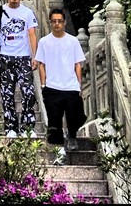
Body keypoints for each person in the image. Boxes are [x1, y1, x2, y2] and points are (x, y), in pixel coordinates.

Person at [0, 0, 38, 137]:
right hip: (5, 58)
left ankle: (27, 127)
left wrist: (34, 56)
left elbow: (32, 34)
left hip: (23, 58)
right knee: (7, 94)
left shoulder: (27, 13)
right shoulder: (0, 12)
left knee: (28, 93)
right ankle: (11, 127)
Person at [36, 8, 87, 162]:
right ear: (50, 22)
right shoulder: (44, 42)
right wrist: (44, 85)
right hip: (52, 87)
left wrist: (79, 85)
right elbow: (41, 65)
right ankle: (59, 152)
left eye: (60, 21)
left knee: (75, 116)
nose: (57, 24)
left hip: (71, 86)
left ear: (64, 22)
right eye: (54, 21)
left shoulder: (73, 41)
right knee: (54, 121)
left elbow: (78, 64)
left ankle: (72, 135)